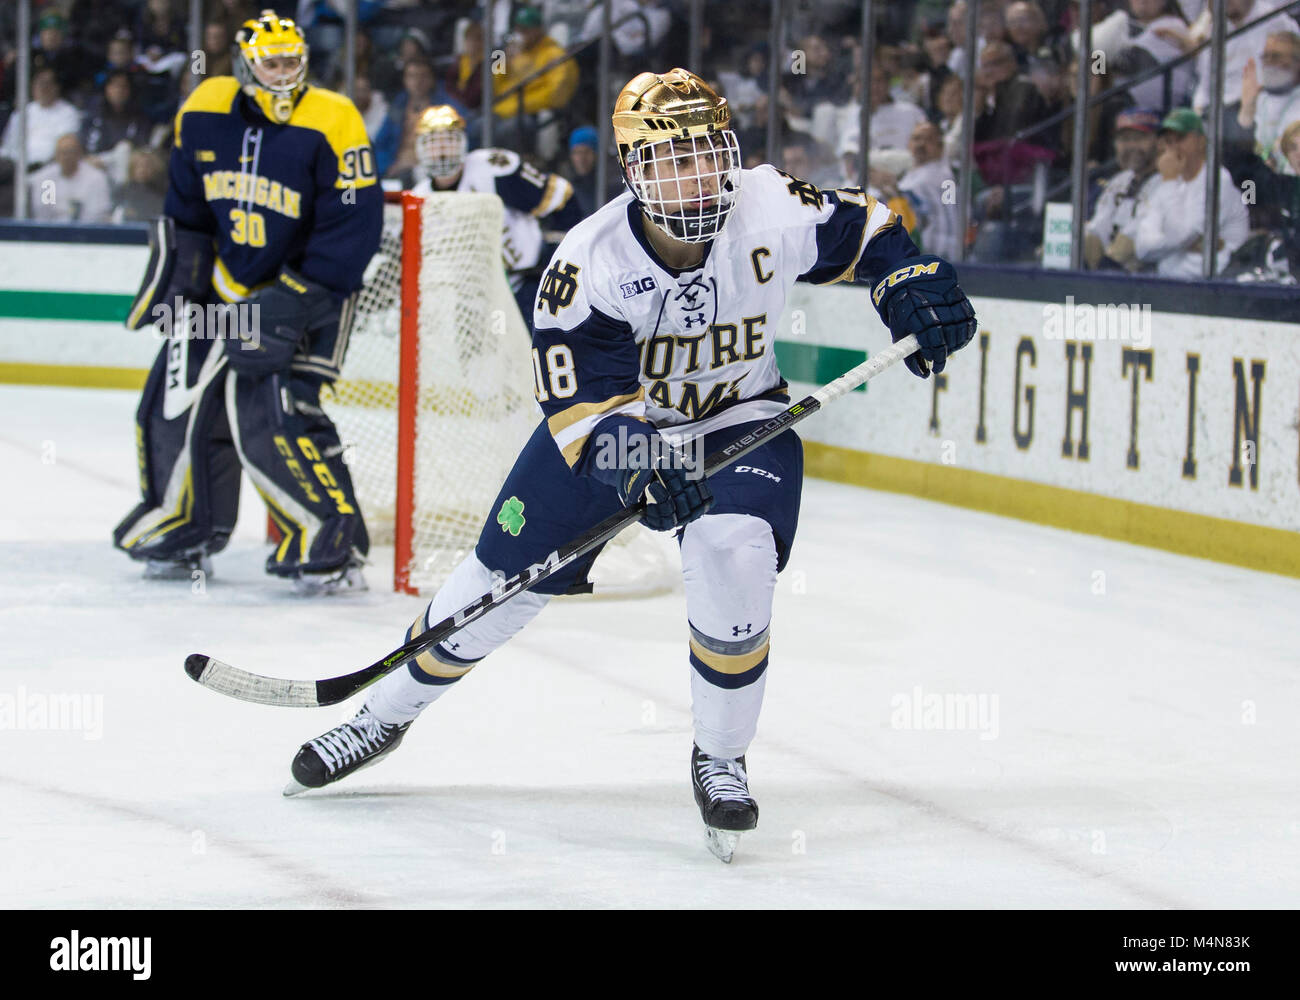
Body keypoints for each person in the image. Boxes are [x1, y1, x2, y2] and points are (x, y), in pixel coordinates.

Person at [285, 68, 976, 861]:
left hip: (736, 419)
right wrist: (639, 462)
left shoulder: (770, 204)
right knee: (495, 590)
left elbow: (874, 229)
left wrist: (907, 283)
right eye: (671, 160)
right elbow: (583, 410)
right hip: (619, 432)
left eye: (708, 154)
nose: (697, 177)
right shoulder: (588, 265)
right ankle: (381, 718)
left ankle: (719, 756)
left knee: (733, 554)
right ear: (634, 169)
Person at [113, 10, 383, 591]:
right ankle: (184, 524)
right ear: (244, 66)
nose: (284, 74)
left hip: (310, 294)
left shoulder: (334, 117)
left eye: (292, 62)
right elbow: (187, 208)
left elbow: (355, 225)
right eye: (272, 63)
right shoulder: (205, 108)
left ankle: (330, 543)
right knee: (170, 403)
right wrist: (182, 277)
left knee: (275, 414)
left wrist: (296, 298)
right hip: (223, 290)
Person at [407, 105, 586, 322]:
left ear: (463, 143)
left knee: (532, 353)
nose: (443, 151)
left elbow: (561, 196)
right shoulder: (419, 199)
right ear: (420, 149)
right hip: (470, 304)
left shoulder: (492, 169)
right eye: (433, 143)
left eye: (449, 141)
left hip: (527, 286)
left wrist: (564, 255)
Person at [1135, 108, 1250, 276]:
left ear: (1201, 141)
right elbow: (1142, 248)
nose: (1172, 148)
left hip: (1215, 286)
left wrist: (1171, 242)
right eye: (1168, 141)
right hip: (1167, 284)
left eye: (1179, 139)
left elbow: (1180, 236)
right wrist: (1181, 244)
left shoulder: (1217, 180)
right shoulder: (1161, 182)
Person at [1084, 107, 1164, 270]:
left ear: (1159, 142)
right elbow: (1098, 227)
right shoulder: (1119, 181)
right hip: (1112, 272)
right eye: (1124, 139)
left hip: (1151, 276)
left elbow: (1137, 236)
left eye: (1140, 138)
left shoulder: (1169, 183)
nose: (1131, 146)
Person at [28, 133, 113, 222]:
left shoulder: (96, 178)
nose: (67, 157)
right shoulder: (46, 180)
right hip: (52, 231)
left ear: (79, 153)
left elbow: (97, 215)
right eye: (63, 153)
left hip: (85, 231)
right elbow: (42, 215)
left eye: (70, 152)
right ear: (56, 155)